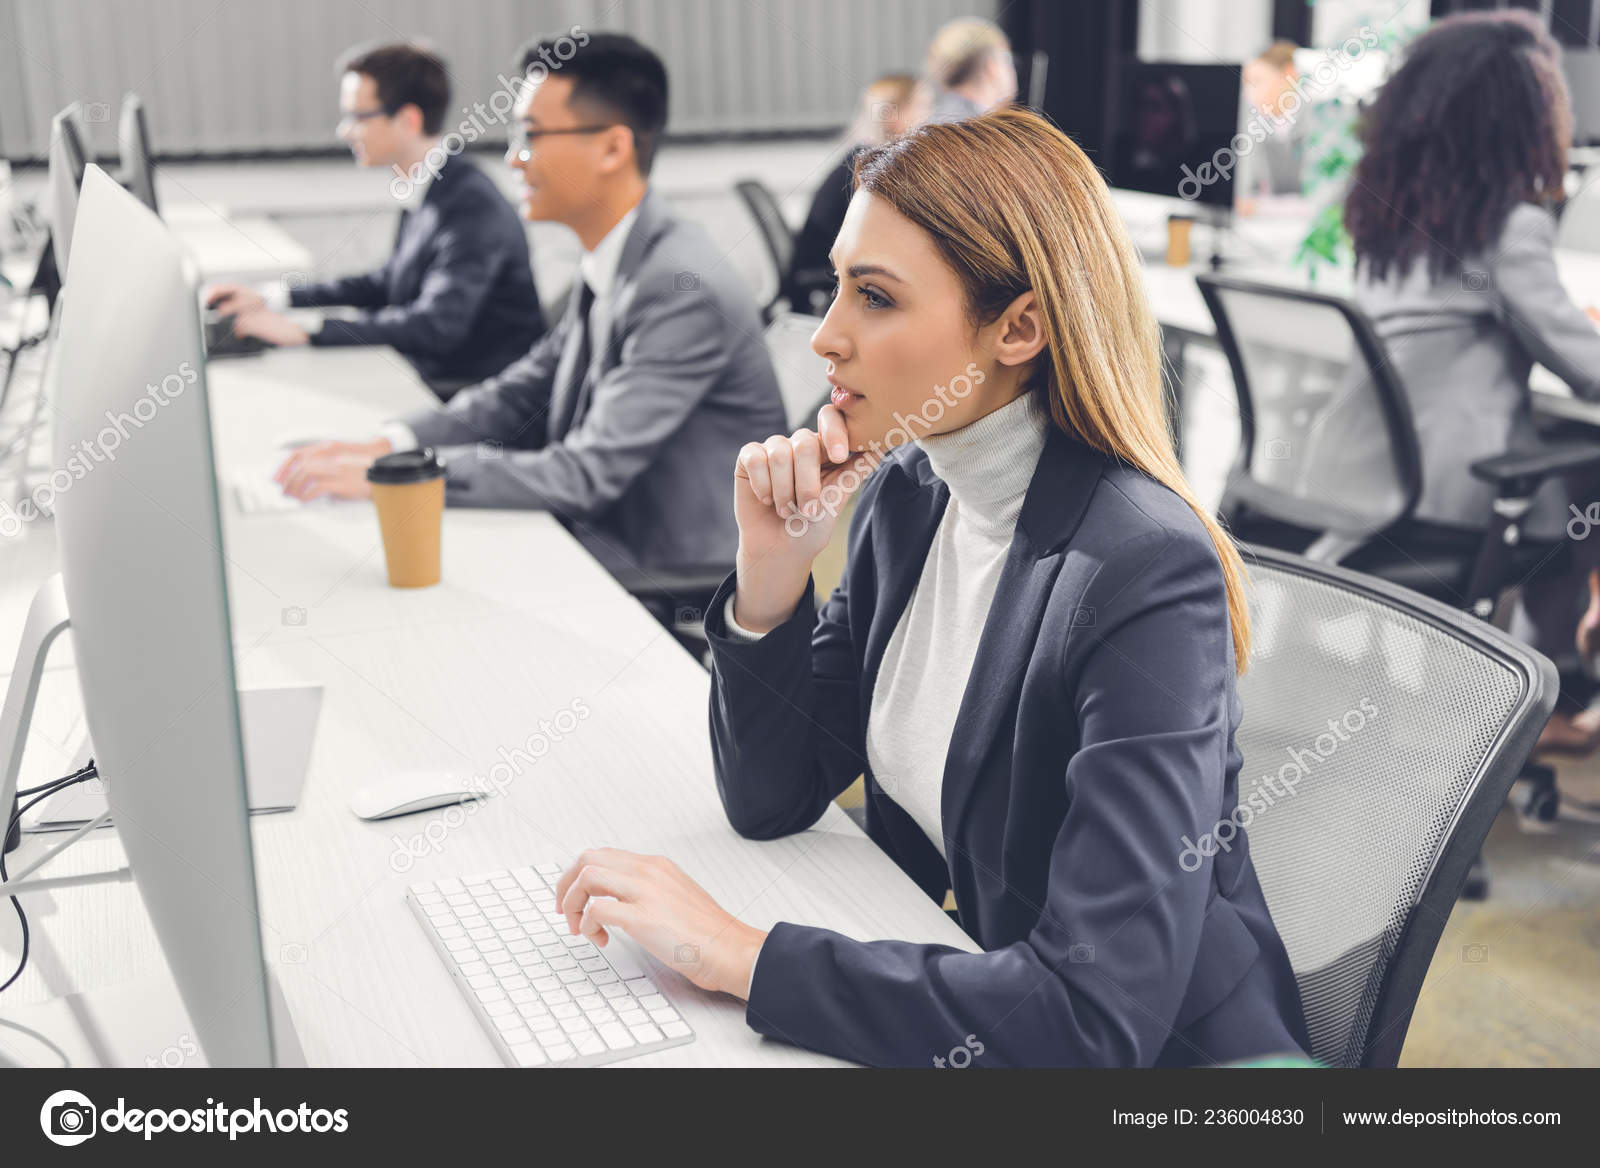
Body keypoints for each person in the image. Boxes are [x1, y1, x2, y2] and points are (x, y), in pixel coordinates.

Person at [547, 108, 1311, 1067]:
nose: (826, 337)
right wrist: (772, 575)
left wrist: (740, 954)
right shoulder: (912, 491)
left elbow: (1091, 1021)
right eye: (838, 286)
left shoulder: (1143, 571)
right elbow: (773, 796)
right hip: (971, 996)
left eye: (875, 297)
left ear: (1019, 327)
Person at [274, 34, 785, 586]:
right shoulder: (617, 255)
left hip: (664, 557)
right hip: (606, 524)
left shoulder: (678, 286)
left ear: (613, 149)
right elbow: (521, 391)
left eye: (531, 135)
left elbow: (584, 473)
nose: (512, 156)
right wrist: (392, 444)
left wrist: (410, 473)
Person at [1338, 10, 1600, 755]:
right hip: (1455, 499)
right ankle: (1542, 696)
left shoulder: (1388, 212)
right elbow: (1587, 370)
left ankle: (1545, 690)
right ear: (1518, 118)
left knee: (1576, 480)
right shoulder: (1509, 227)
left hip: (1364, 480)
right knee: (1584, 482)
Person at [206, 43, 543, 399]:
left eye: (357, 117)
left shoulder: (471, 204)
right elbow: (387, 282)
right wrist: (275, 298)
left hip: (479, 393)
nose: (344, 131)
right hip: (433, 376)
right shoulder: (432, 185)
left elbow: (436, 325)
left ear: (408, 120)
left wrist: (306, 330)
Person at [783, 74, 928, 315]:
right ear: (892, 115)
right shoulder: (869, 167)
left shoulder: (859, 156)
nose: (927, 116)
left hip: (825, 269)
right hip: (826, 276)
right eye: (921, 106)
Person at [1234, 40, 1309, 217]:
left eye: (1256, 81)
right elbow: (1244, 193)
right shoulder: (1256, 126)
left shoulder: (1319, 121)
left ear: (1289, 76)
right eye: (1245, 85)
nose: (1248, 94)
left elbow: (1322, 200)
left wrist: (1259, 207)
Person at [923, 17, 1016, 123]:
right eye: (1008, 61)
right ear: (993, 67)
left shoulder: (933, 120)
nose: (1013, 71)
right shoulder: (982, 127)